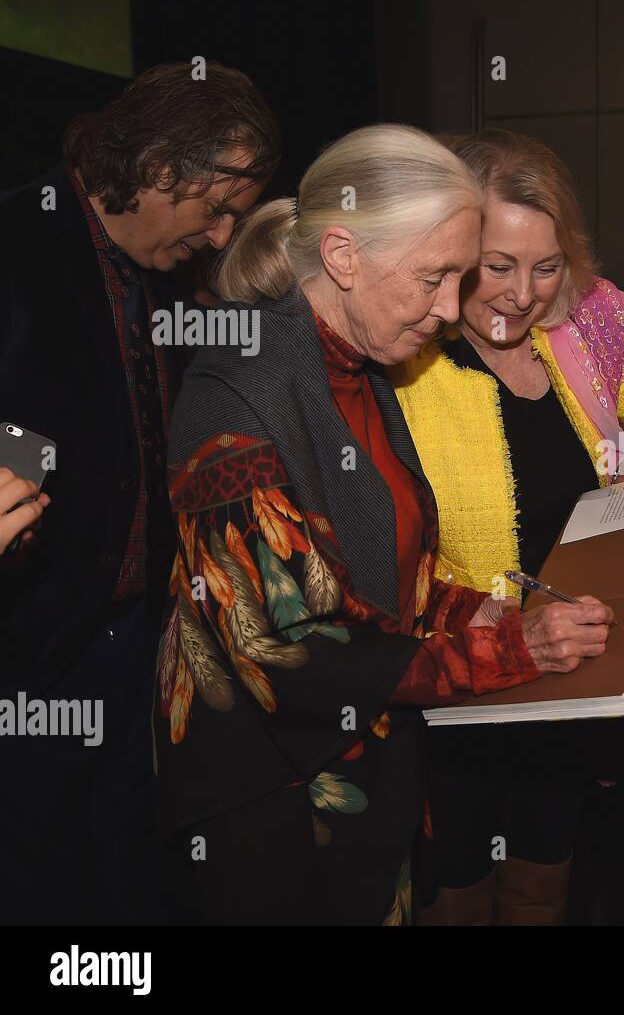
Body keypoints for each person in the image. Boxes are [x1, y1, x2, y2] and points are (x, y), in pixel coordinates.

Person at [158, 124, 552, 925]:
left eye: (460, 278)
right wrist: (504, 652)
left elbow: (387, 572)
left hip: (370, 784)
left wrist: (487, 611)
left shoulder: (359, 365)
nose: (450, 310)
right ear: (342, 257)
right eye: (435, 277)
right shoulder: (232, 398)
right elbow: (286, 645)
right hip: (269, 808)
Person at [0, 62, 279, 925]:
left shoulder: (156, 275)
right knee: (40, 881)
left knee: (126, 882)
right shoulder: (18, 237)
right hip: (33, 651)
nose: (226, 232)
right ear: (161, 164)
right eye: (220, 205)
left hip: (139, 641)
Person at [389, 129, 624, 925]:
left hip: (568, 684)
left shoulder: (584, 331)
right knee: (457, 896)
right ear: (451, 256)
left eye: (546, 267)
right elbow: (392, 560)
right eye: (499, 265)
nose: (522, 295)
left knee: (541, 885)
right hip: (464, 691)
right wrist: (505, 629)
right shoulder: (410, 364)